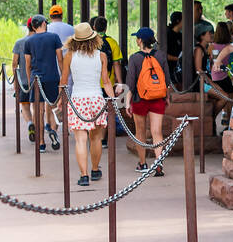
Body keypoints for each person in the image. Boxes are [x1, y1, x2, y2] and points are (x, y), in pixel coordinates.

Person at [58, 23, 116, 186]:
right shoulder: (101, 56)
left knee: (80, 140)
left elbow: (64, 81)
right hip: (97, 99)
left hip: (78, 100)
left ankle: (84, 176)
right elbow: (106, 82)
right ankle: (95, 170)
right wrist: (112, 101)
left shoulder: (69, 55)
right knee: (96, 138)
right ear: (93, 37)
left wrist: (61, 98)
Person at [127, 27, 172, 176]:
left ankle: (143, 163)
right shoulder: (161, 55)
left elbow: (131, 84)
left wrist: (127, 103)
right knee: (156, 132)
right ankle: (159, 164)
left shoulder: (134, 58)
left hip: (140, 99)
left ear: (140, 40)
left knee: (140, 131)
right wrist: (167, 97)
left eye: (137, 38)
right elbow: (166, 80)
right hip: (157, 98)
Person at [22, 14, 64, 152]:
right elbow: (60, 58)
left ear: (33, 26)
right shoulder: (54, 38)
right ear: (44, 24)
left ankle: (41, 142)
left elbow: (28, 64)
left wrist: (29, 80)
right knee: (52, 107)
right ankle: (53, 130)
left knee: (38, 111)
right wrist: (63, 76)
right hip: (52, 76)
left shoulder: (29, 41)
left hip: (36, 78)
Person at [12, 16, 37, 140]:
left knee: (25, 106)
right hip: (38, 81)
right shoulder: (40, 41)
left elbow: (14, 63)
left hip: (24, 82)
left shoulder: (19, 42)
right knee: (38, 106)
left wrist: (15, 82)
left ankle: (30, 123)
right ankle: (39, 128)